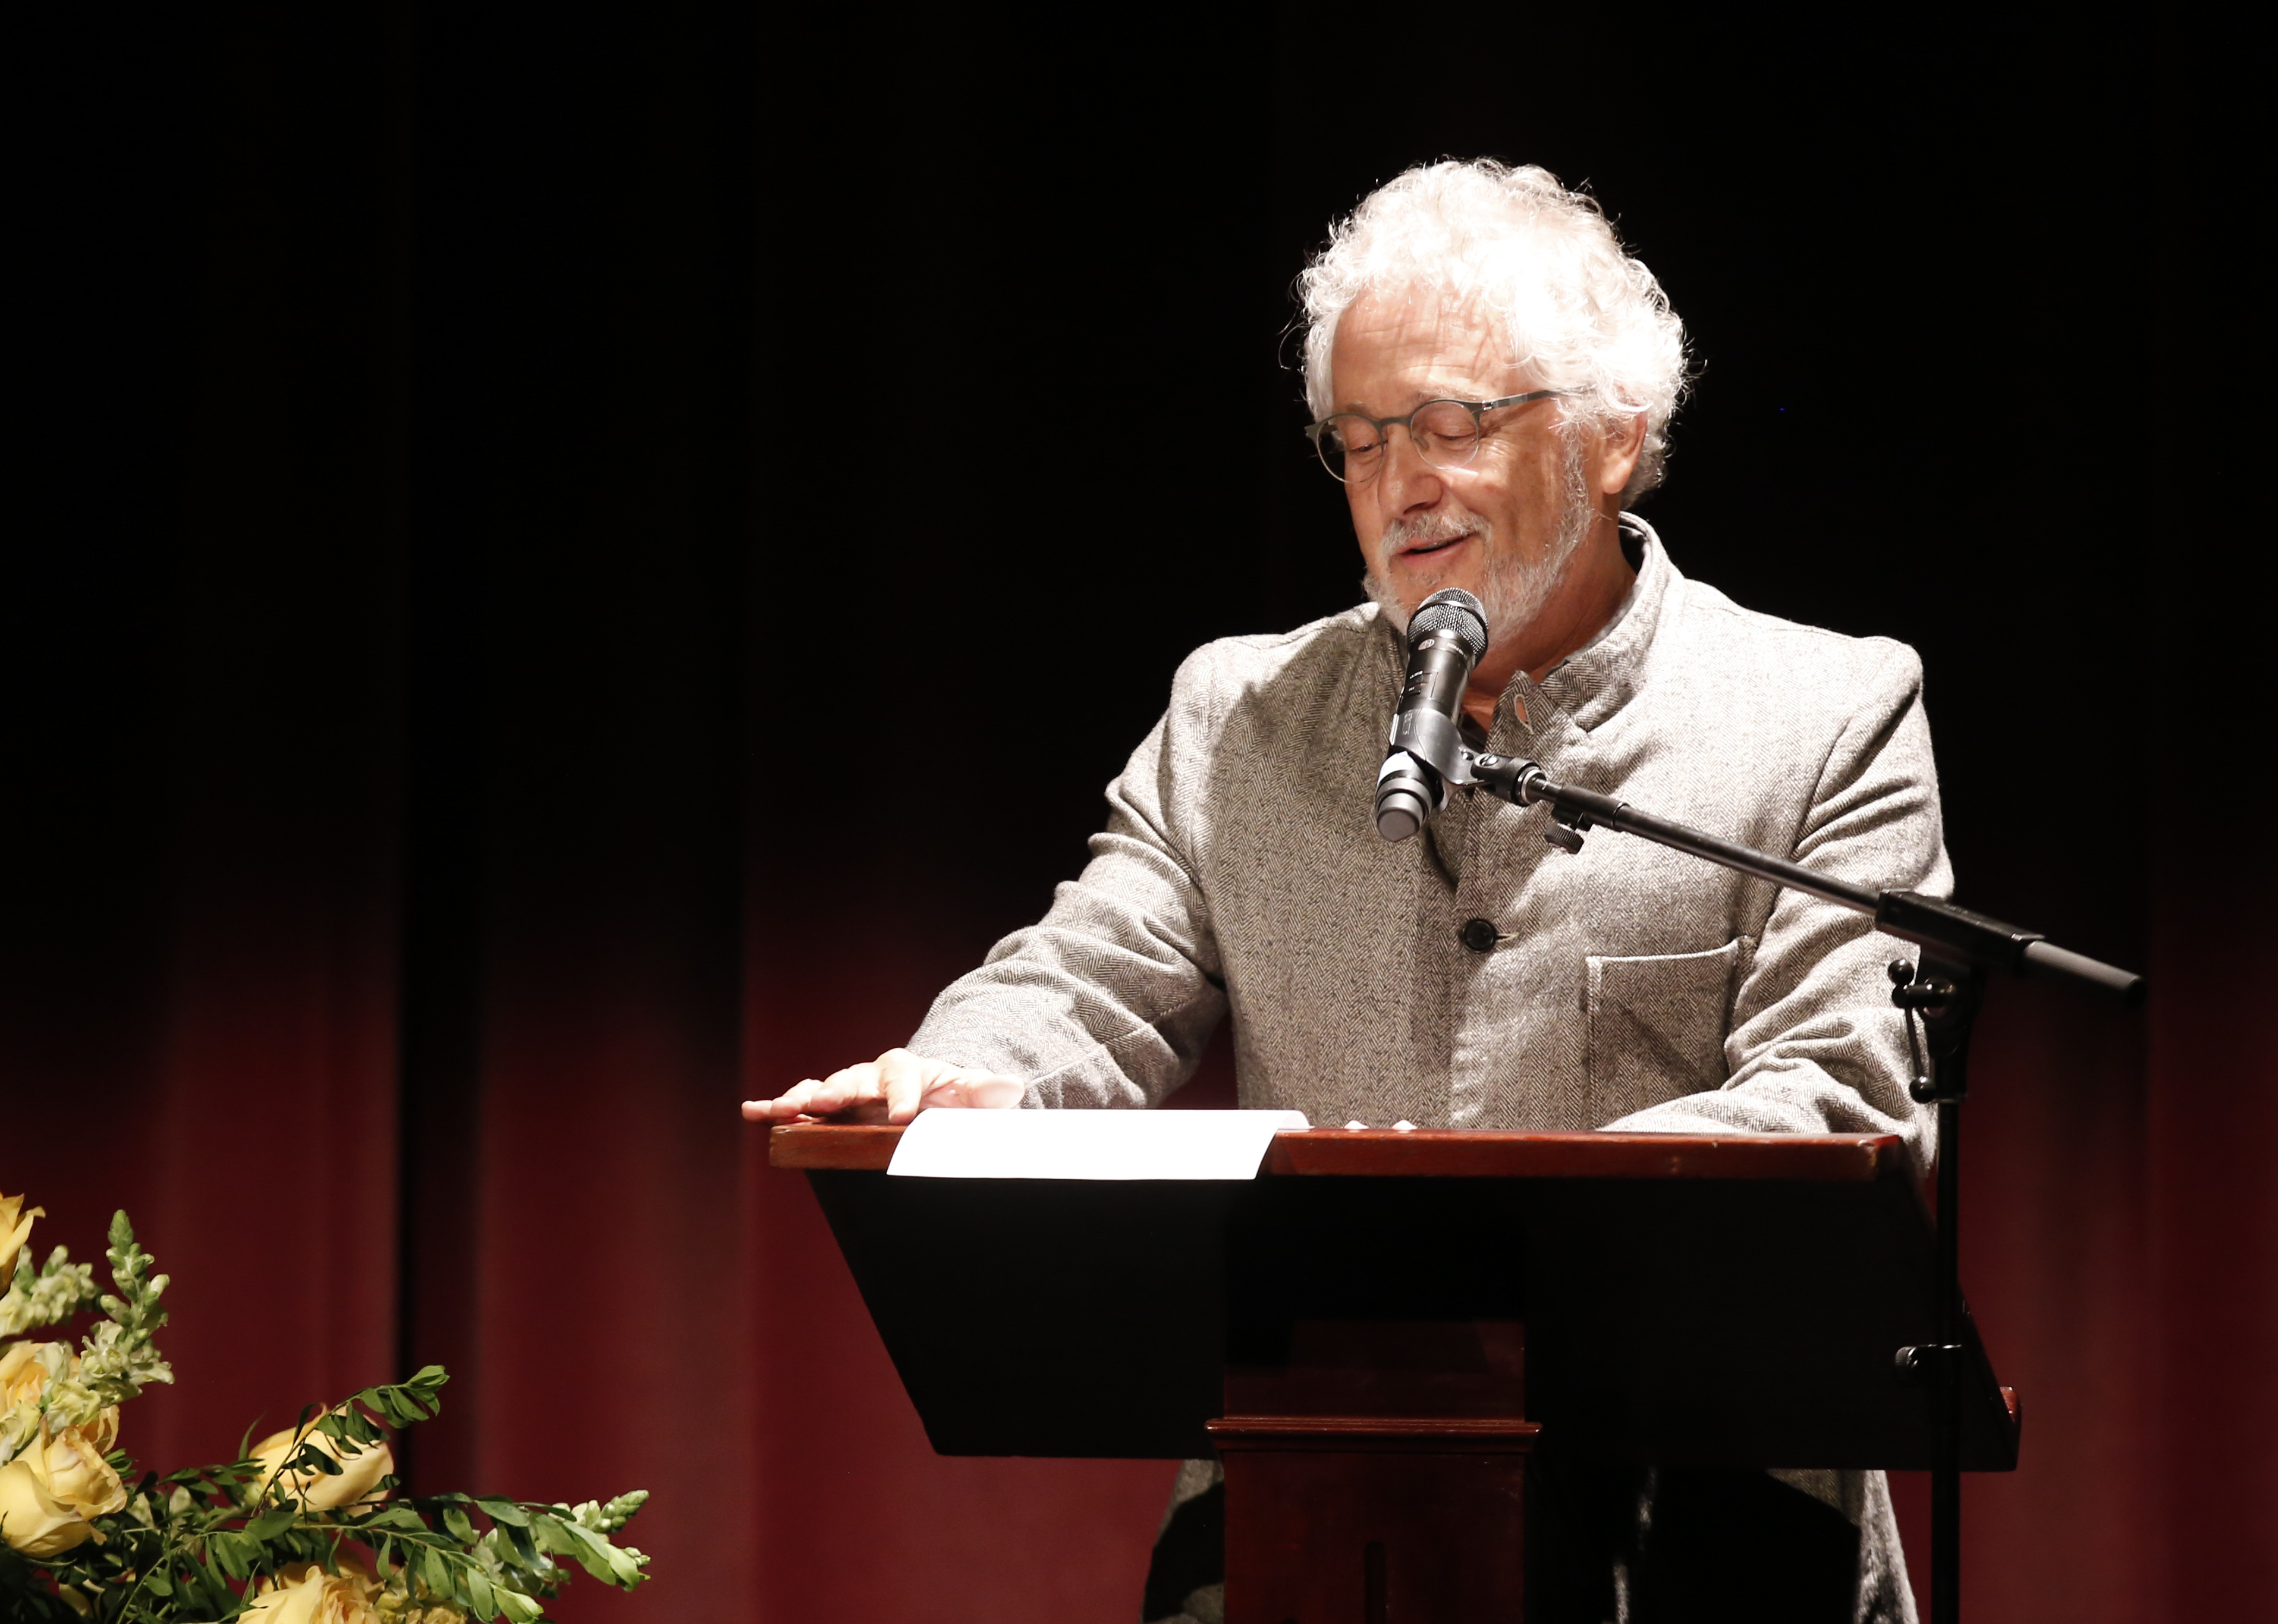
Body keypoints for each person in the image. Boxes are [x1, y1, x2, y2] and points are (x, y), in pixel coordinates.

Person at [744, 159, 1940, 1624]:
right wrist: (957, 1076)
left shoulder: (1823, 713)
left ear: (1615, 437)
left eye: (1454, 425)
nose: (1400, 487)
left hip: (1708, 1541)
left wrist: (1500, 1251)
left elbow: (1836, 1095)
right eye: (1361, 440)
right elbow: (1084, 974)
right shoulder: (1239, 719)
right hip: (1304, 1529)